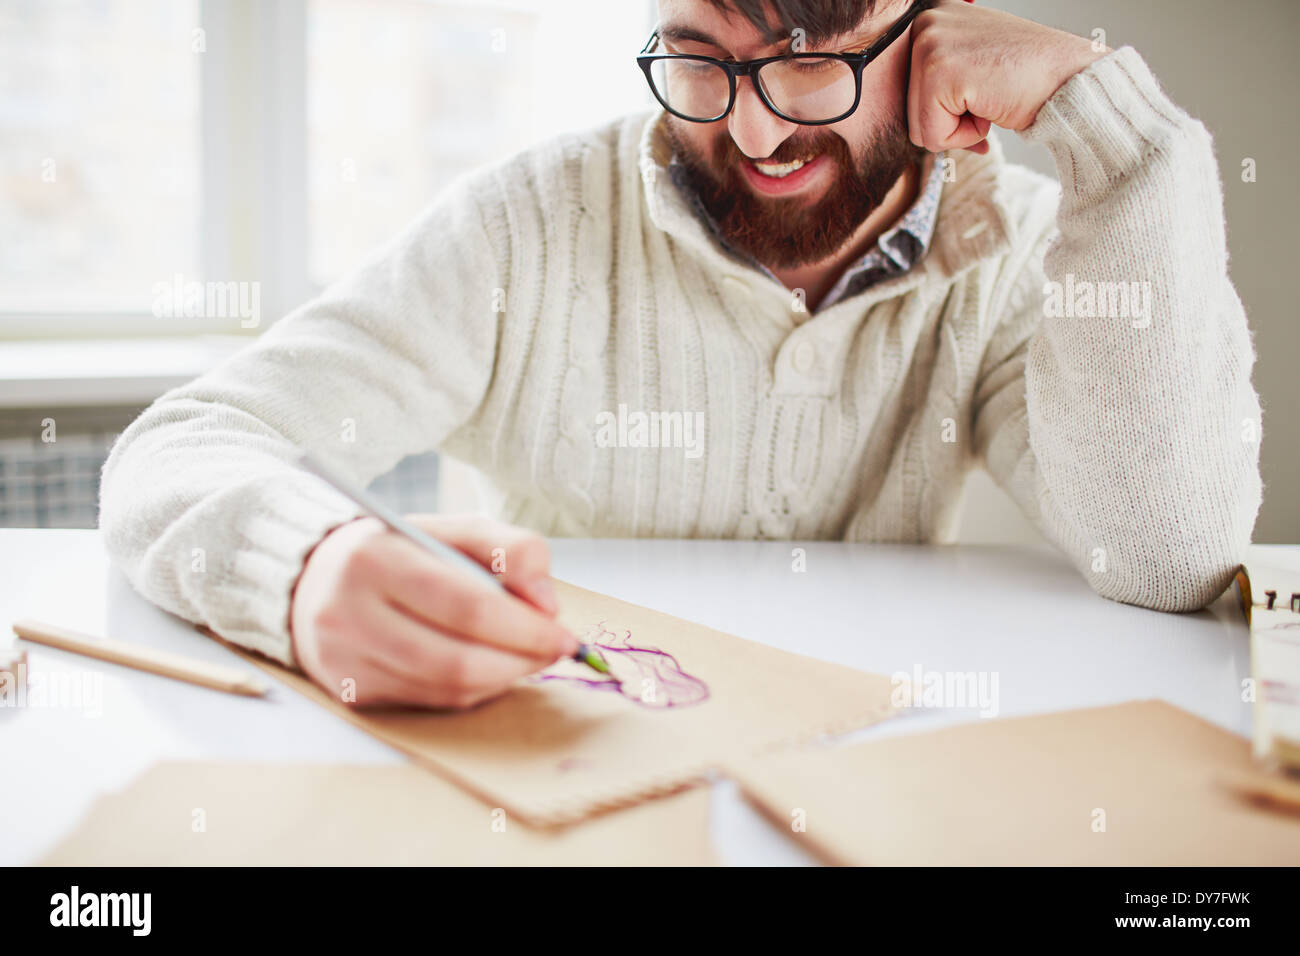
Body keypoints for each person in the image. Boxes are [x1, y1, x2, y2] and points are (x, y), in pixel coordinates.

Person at [100, 0, 1262, 708]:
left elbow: (1162, 559)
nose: (750, 130)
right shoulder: (529, 221)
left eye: (813, 60)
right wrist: (300, 569)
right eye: (697, 54)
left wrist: (1111, 131)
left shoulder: (1002, 253)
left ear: (937, 31)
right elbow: (184, 446)